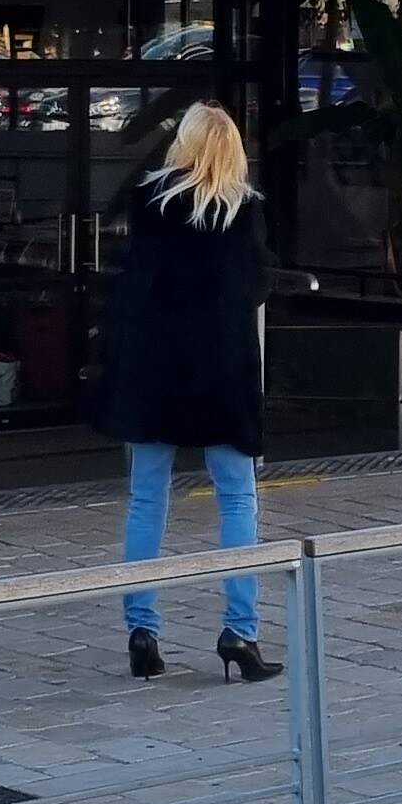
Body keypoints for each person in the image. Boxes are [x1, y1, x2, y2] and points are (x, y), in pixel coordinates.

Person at [95, 102, 282, 683]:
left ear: (184, 143)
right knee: (237, 499)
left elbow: (135, 280)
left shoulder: (149, 204)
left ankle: (142, 631)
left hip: (154, 368)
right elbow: (256, 286)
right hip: (222, 369)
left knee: (148, 499)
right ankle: (239, 633)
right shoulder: (244, 210)